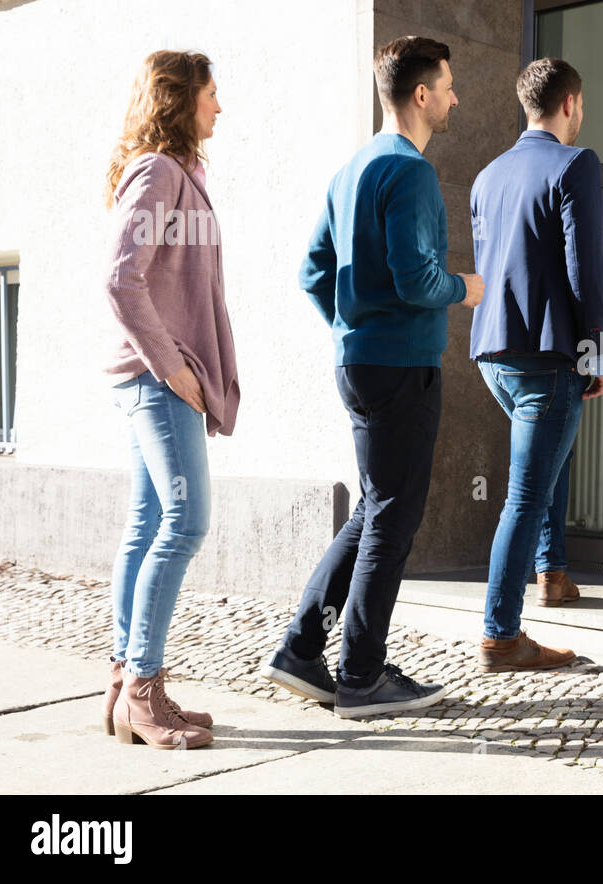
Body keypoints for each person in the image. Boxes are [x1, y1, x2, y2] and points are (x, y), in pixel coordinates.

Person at [261, 36, 484, 718]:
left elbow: (312, 273)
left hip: (357, 362)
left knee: (373, 508)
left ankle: (304, 649)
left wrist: (349, 327)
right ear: (420, 94)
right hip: (399, 365)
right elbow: (418, 280)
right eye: (447, 86)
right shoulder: (410, 172)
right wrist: (465, 289)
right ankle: (361, 676)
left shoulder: (350, 169)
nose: (454, 97)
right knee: (393, 517)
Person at [102, 50, 238, 749]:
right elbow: (121, 279)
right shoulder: (158, 172)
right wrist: (175, 368)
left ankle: (127, 683)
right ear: (181, 100)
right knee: (185, 522)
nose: (220, 106)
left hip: (153, 376)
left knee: (146, 522)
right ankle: (143, 691)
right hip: (158, 380)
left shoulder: (181, 173)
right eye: (211, 94)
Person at [469, 57, 603, 671]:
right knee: (525, 494)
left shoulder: (487, 175)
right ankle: (501, 634)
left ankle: (552, 573)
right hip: (548, 354)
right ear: (570, 104)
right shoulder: (577, 164)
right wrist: (597, 350)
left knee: (554, 453)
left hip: (492, 352)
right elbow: (584, 268)